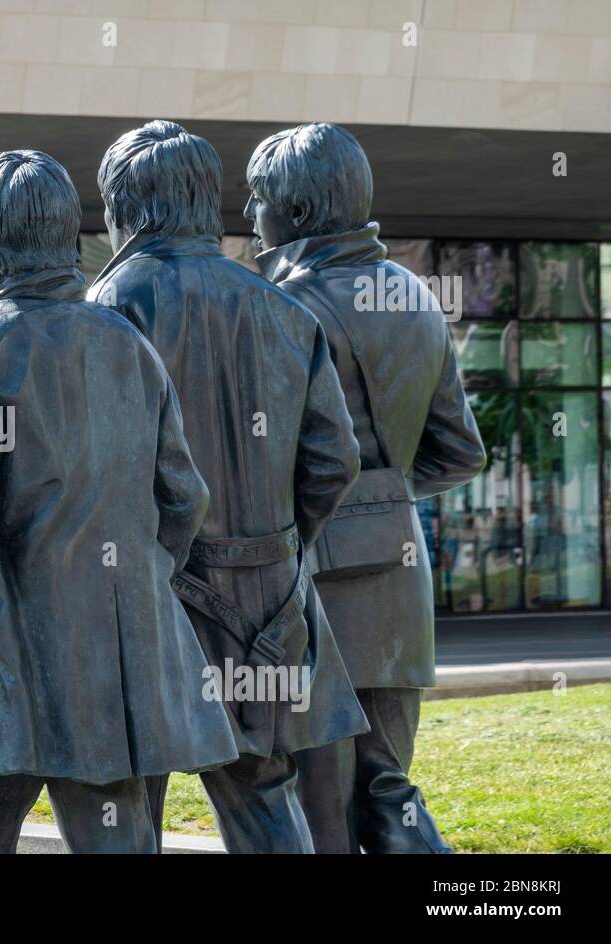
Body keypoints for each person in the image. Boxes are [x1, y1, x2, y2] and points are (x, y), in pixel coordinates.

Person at [0, 149, 238, 854]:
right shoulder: (127, 344)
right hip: (118, 651)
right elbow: (183, 496)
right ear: (68, 237)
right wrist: (138, 581)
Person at [89, 120, 367, 854]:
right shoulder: (281, 305)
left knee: (127, 801)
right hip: (268, 603)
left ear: (127, 206)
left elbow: (97, 471)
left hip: (150, 602)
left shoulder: (106, 310)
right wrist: (280, 544)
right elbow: (334, 461)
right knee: (262, 795)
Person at [246, 122, 486, 853]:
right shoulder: (413, 297)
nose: (250, 218)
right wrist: (384, 498)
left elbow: (275, 464)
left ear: (299, 212)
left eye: (259, 200)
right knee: (385, 789)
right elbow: (460, 452)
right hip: (399, 588)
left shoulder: (286, 307)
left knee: (320, 810)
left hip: (317, 584)